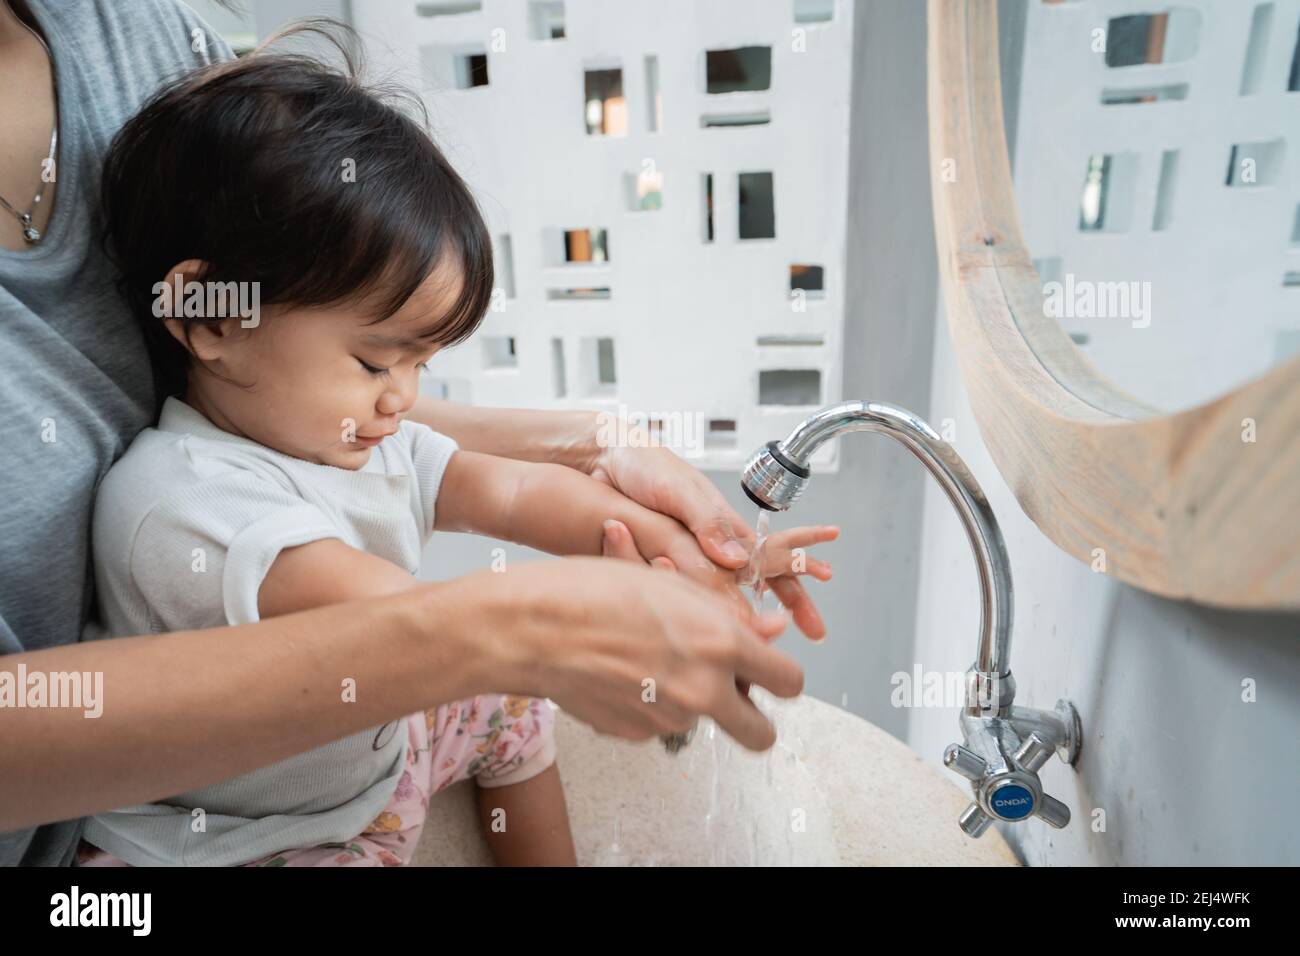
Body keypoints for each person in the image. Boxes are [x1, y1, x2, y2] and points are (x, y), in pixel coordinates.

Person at [0, 0, 832, 866]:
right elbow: (397, 617)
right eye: (374, 362)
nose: (403, 399)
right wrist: (572, 629)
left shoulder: (344, 429)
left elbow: (508, 490)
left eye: (422, 364)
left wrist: (691, 552)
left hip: (364, 753)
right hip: (250, 838)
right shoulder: (180, 503)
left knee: (510, 711)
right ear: (212, 322)